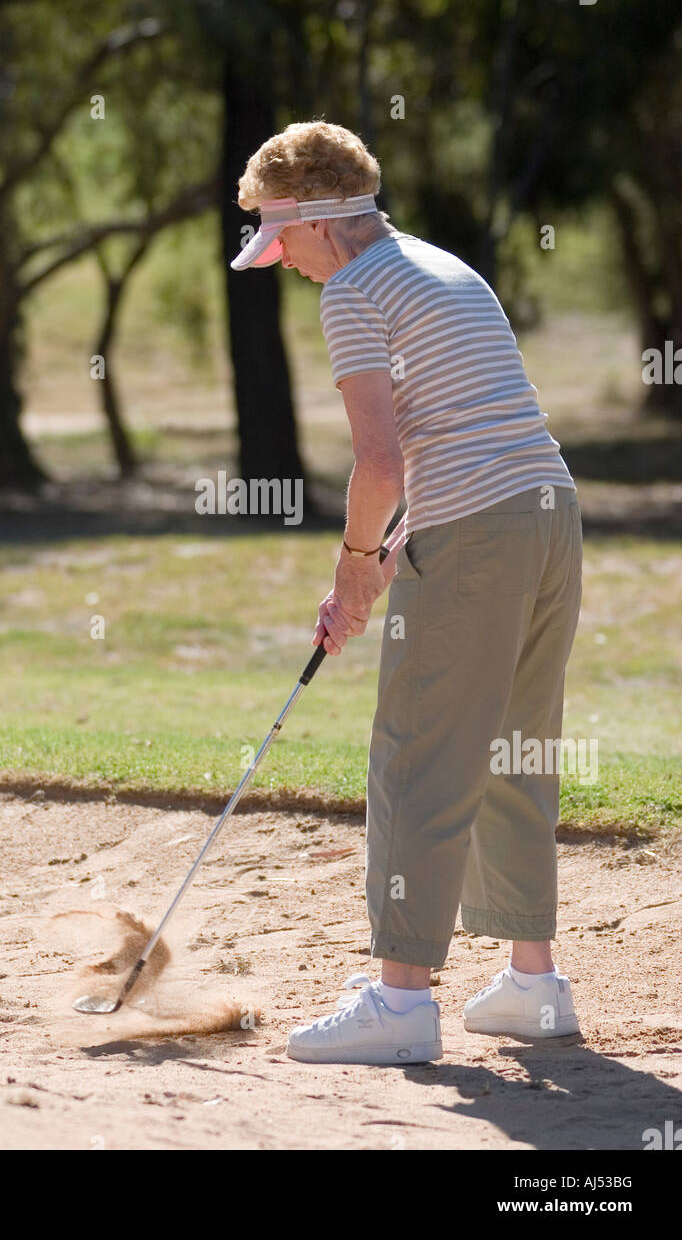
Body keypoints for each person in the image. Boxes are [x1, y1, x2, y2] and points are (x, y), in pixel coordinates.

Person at [230, 121, 583, 1065]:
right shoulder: (441, 265)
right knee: (514, 742)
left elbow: (381, 458)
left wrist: (353, 565)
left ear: (316, 220)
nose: (284, 264)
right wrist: (386, 557)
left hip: (478, 530)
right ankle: (534, 986)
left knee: (415, 755)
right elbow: (454, 429)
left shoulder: (351, 288)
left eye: (279, 240)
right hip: (549, 516)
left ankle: (400, 1004)